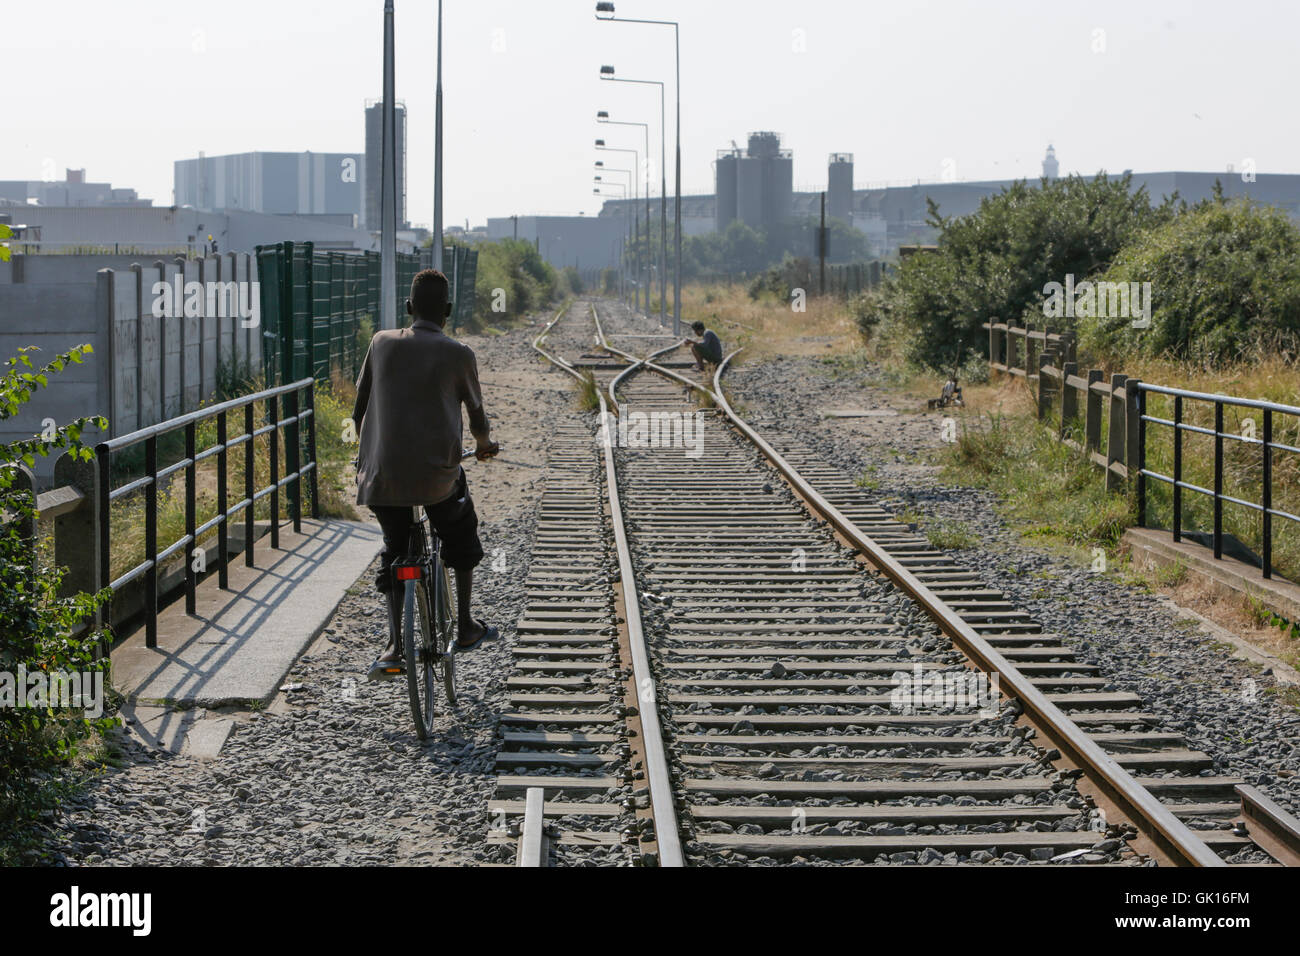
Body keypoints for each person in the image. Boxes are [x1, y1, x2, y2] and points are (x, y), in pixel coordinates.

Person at [352, 269, 500, 680]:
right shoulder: (459, 353)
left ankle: (395, 646)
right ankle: (467, 626)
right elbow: (477, 417)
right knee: (461, 534)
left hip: (381, 479)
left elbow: (359, 406)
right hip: (438, 480)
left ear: (408, 308)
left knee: (394, 548)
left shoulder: (381, 343)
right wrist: (485, 445)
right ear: (448, 311)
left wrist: (364, 454)